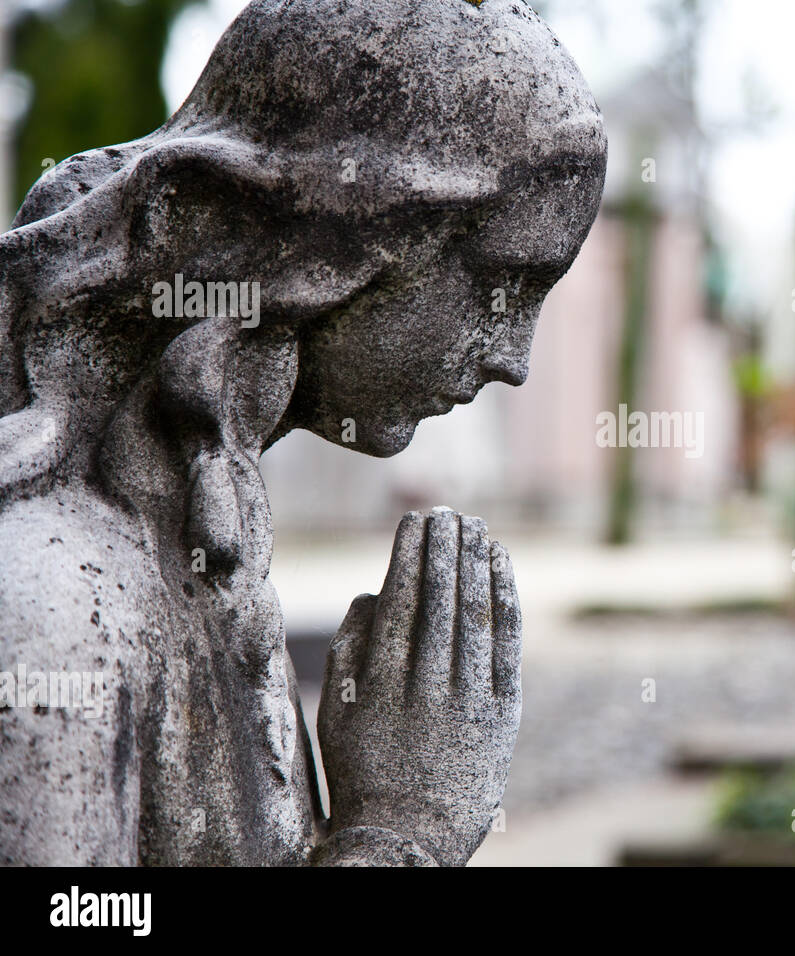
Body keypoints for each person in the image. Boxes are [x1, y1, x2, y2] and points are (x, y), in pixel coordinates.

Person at [0, 0, 606, 866]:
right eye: (503, 284)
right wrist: (401, 834)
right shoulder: (51, 611)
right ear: (339, 244)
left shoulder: (202, 546)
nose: (512, 358)